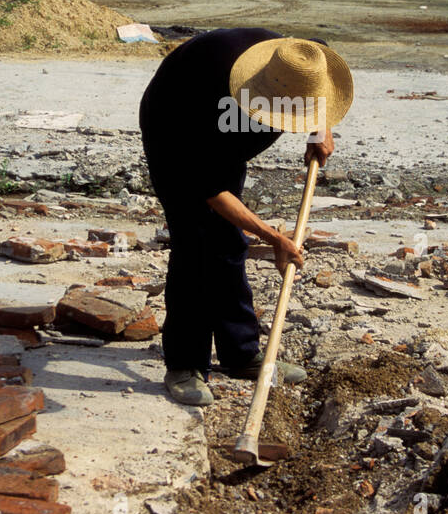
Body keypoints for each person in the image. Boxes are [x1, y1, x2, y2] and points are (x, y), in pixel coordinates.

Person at [138, 28, 354, 406]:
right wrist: (274, 239)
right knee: (196, 246)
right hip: (177, 130)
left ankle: (240, 354)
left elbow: (319, 69)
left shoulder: (293, 58)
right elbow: (212, 192)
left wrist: (320, 127)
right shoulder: (203, 107)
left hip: (224, 133)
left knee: (227, 242)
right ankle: (185, 364)